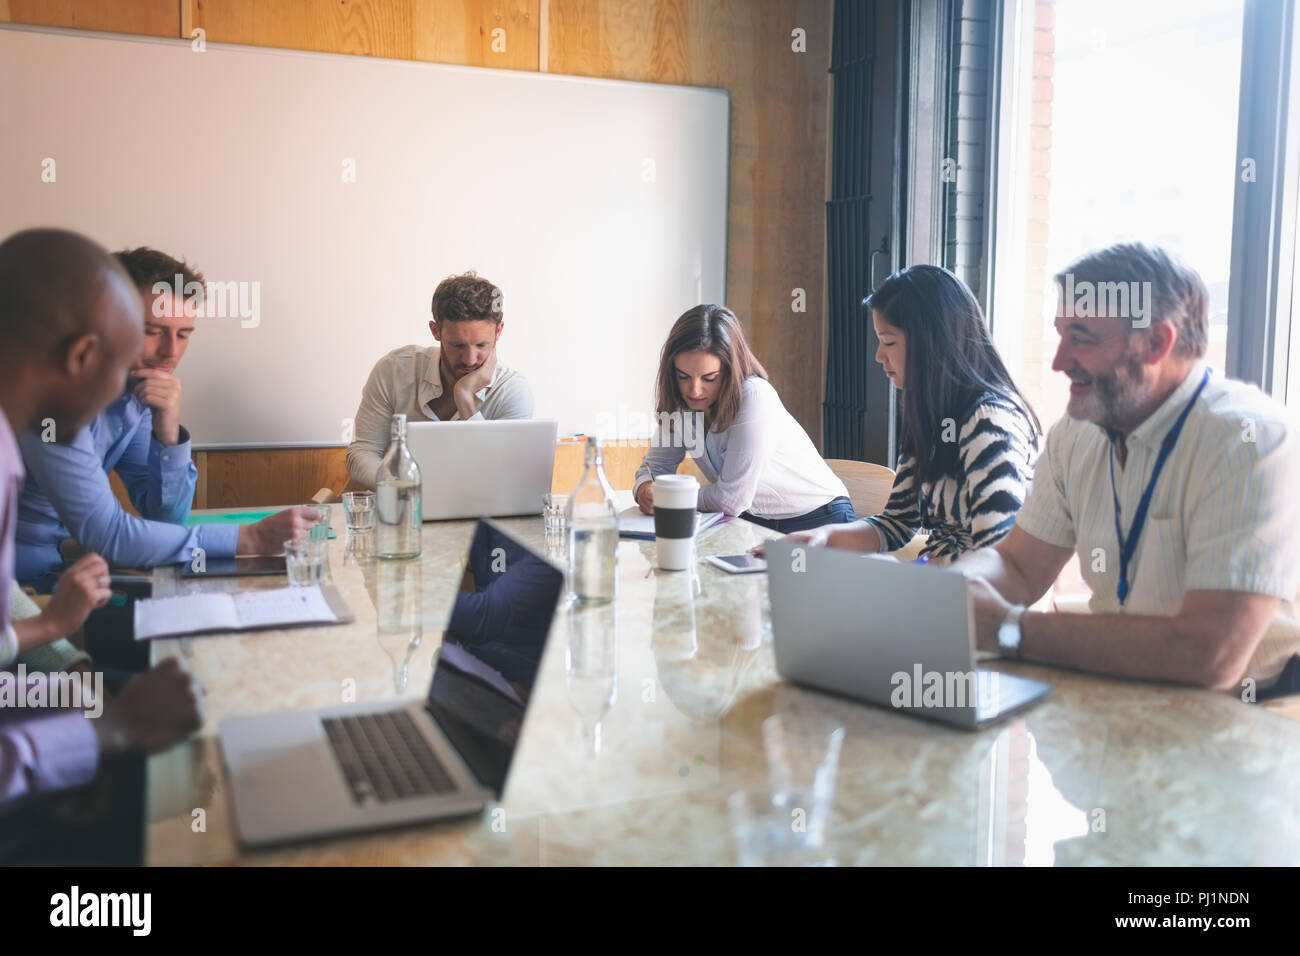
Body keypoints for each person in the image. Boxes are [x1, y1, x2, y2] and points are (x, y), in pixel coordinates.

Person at [954, 242, 1300, 694]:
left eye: (1082, 338)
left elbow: (1209, 655)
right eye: (1061, 335)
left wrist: (1008, 629)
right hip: (1117, 697)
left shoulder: (1251, 441)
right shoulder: (1075, 435)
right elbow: (1017, 566)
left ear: (1156, 343)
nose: (1059, 362)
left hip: (1246, 722)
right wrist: (952, 589)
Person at [0, 228, 202, 862]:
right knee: (175, 771)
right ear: (85, 355)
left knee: (185, 713)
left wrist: (70, 666)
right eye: (132, 349)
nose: (154, 365)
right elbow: (112, 536)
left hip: (38, 634)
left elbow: (160, 514)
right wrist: (105, 731)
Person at [14, 247, 318, 668]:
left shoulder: (133, 392)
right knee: (181, 670)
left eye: (184, 333)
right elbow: (107, 533)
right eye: (153, 330)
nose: (170, 353)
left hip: (67, 581)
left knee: (222, 652)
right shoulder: (57, 396)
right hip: (23, 593)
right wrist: (247, 538)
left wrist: (167, 429)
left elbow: (164, 516)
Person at [786, 266, 1040, 562]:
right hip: (935, 586)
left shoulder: (990, 421)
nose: (879, 356)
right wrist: (824, 536)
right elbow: (897, 524)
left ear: (931, 342)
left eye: (889, 341)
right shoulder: (935, 414)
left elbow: (1000, 560)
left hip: (971, 598)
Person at [633, 304, 854, 532]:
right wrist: (645, 489)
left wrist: (670, 496)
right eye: (683, 376)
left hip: (819, 520)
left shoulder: (754, 396)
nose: (694, 391)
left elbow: (730, 500)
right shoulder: (679, 403)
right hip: (749, 522)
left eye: (709, 378)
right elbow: (655, 466)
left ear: (730, 370)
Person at [347, 271, 534, 489]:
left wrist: (465, 399)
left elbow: (500, 474)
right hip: (393, 506)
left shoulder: (512, 391)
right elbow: (363, 452)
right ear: (435, 331)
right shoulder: (393, 370)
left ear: (499, 331)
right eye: (458, 345)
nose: (470, 359)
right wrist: (402, 490)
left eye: (481, 345)